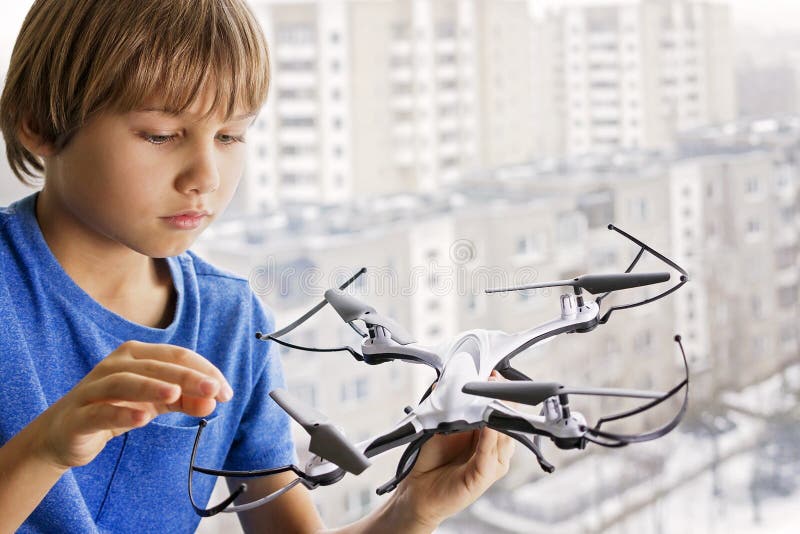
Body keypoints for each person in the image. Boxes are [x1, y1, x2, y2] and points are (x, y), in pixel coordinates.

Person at [0, 1, 514, 532]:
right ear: (39, 123)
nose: (206, 176)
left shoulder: (233, 321)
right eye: (159, 134)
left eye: (229, 137)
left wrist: (414, 507)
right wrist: (45, 448)